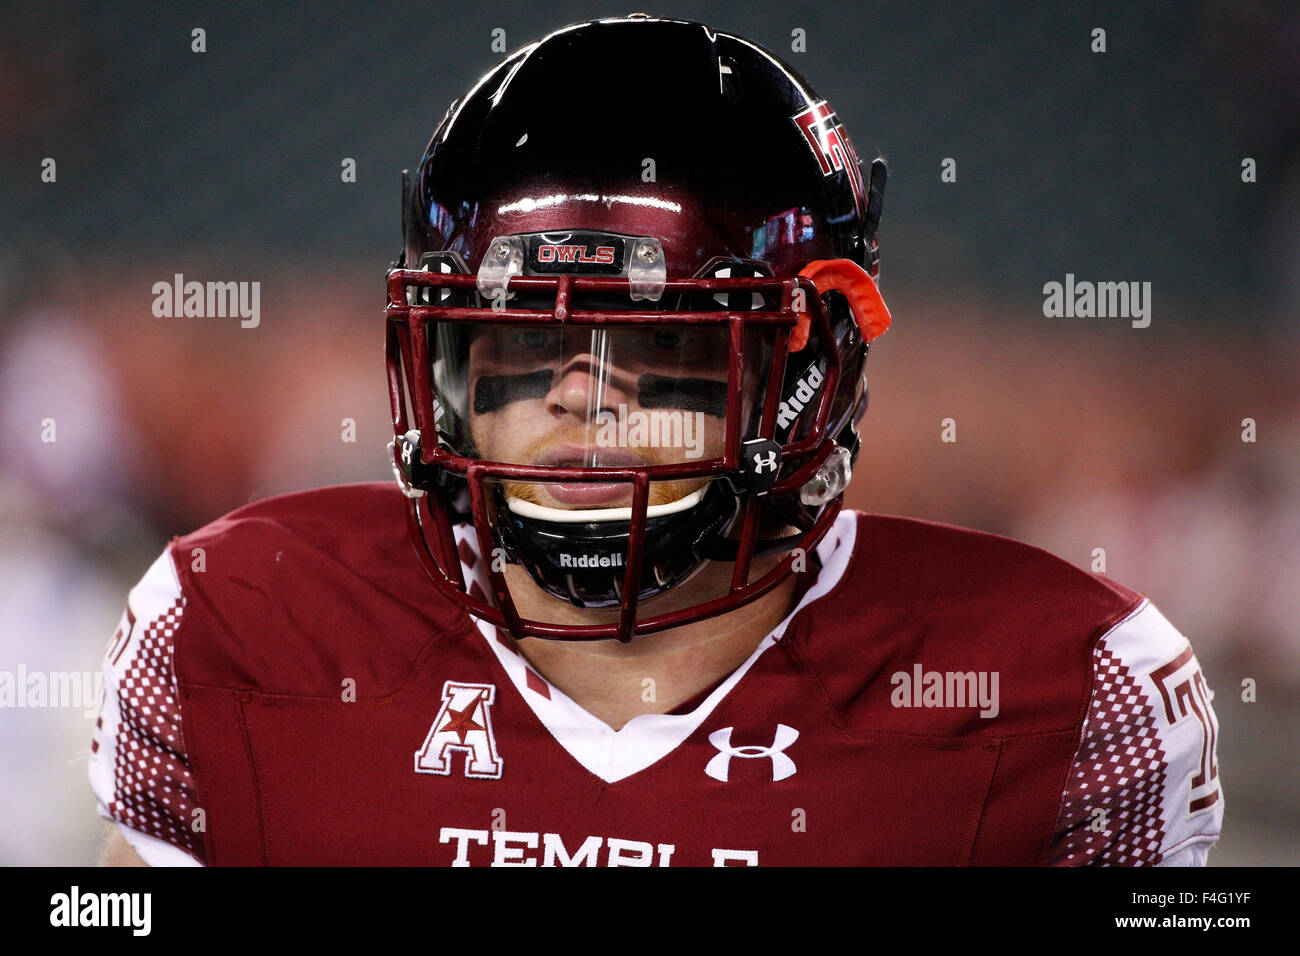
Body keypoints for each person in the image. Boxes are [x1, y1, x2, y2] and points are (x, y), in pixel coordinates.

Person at [93, 14, 1222, 866]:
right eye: (523, 344)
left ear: (807, 371)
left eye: (665, 347)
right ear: (441, 364)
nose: (582, 402)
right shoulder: (243, 630)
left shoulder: (1067, 696)